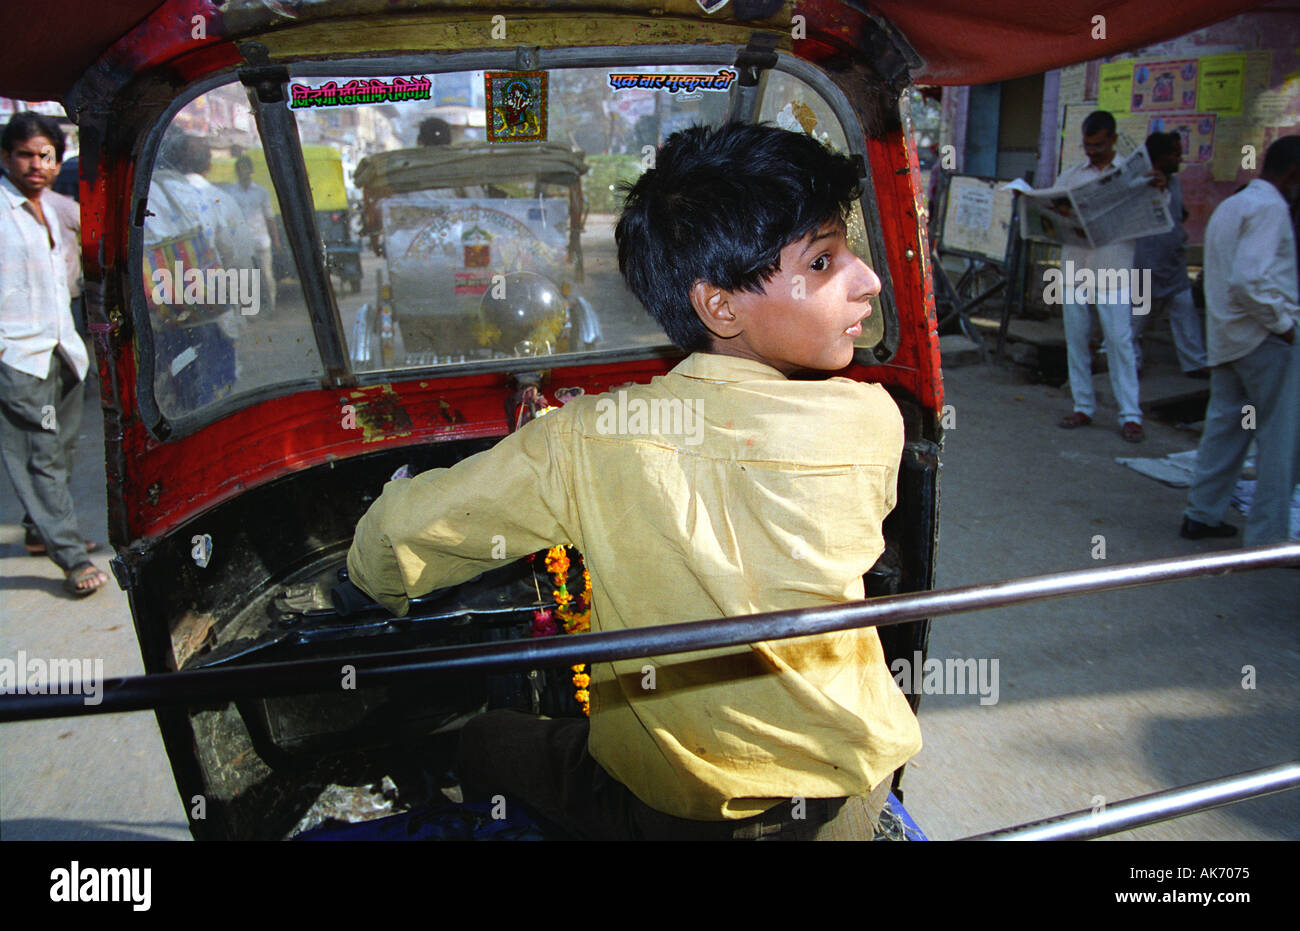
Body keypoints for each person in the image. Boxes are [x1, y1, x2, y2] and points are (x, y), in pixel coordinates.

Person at [346, 122, 921, 840]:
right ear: (720, 304)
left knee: (485, 739)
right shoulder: (873, 422)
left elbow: (400, 537)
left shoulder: (588, 440)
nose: (866, 278)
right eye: (827, 259)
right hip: (847, 808)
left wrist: (368, 572)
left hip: (671, 815)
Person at [0, 112, 108, 596]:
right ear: (6, 157)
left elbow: (98, 241)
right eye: (25, 154)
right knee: (42, 452)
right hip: (18, 355)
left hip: (64, 347)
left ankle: (38, 532)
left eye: (45, 155)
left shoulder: (59, 206)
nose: (35, 164)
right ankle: (71, 556)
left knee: (61, 448)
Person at [1181, 135, 1300, 546]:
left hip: (1228, 336)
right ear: (1293, 173)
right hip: (1263, 339)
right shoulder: (1271, 208)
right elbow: (1249, 279)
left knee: (1226, 428)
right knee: (1279, 440)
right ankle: (1267, 541)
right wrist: (1284, 325)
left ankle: (1202, 513)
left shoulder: (1234, 203)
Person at [1056, 110, 1160, 443]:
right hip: (1075, 267)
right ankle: (1083, 405)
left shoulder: (1134, 175)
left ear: (1113, 140)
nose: (1093, 151)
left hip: (1114, 270)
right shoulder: (1071, 176)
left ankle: (1130, 414)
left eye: (1099, 145)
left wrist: (1160, 186)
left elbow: (1159, 211)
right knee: (1076, 338)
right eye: (1088, 146)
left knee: (1119, 341)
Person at [1132, 131, 1208, 376]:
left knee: (1185, 312)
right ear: (1160, 157)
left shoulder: (1173, 182)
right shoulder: (1139, 182)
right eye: (1175, 154)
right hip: (1145, 263)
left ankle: (1195, 363)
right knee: (1135, 320)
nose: (1180, 159)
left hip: (1173, 261)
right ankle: (1130, 363)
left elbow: (1180, 213)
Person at [223, 155, 280, 314]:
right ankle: (249, 310)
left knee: (266, 276)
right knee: (245, 277)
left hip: (261, 238)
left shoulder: (261, 192)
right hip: (241, 241)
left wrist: (276, 240)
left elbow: (269, 217)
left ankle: (272, 306)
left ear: (251, 171)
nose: (243, 172)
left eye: (246, 169)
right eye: (240, 169)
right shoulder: (231, 193)